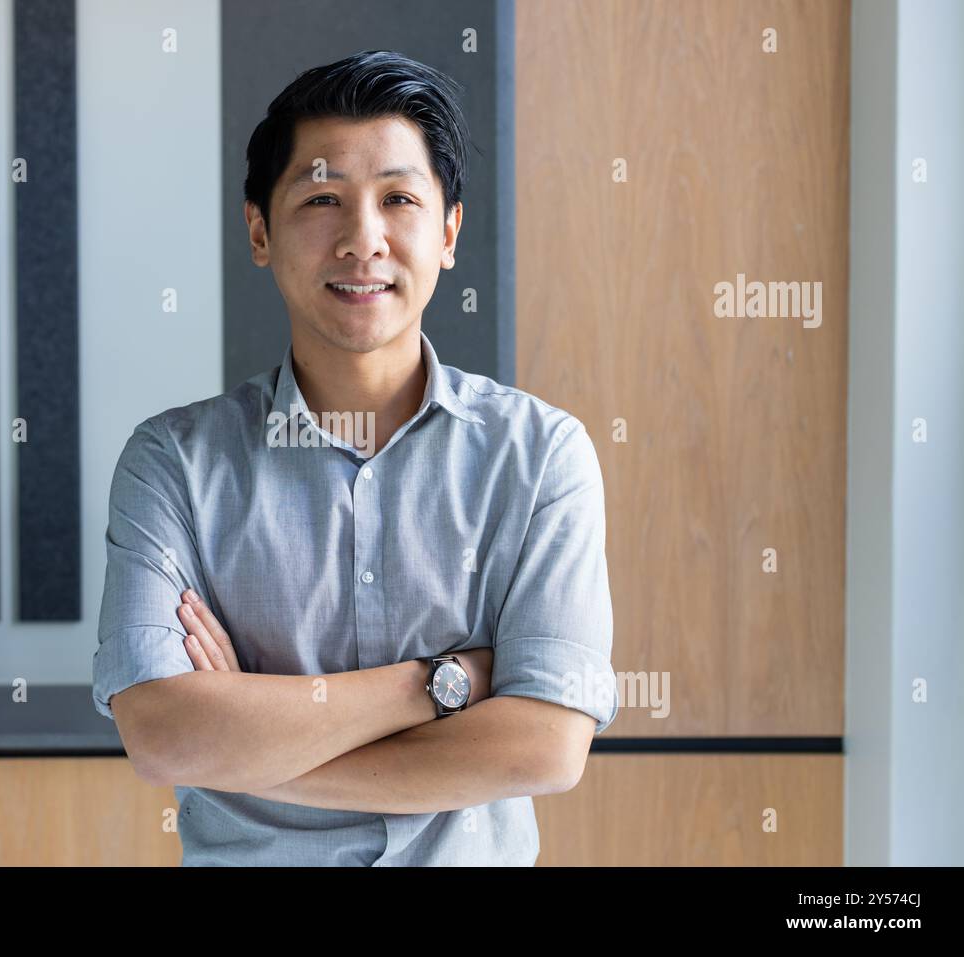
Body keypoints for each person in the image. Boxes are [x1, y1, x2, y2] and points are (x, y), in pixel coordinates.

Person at [92, 49, 618, 866]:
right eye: (323, 199)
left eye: (399, 199)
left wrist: (250, 746)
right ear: (260, 230)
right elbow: (161, 736)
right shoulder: (174, 464)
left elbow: (546, 747)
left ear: (448, 232)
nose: (362, 239)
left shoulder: (541, 456)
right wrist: (442, 682)